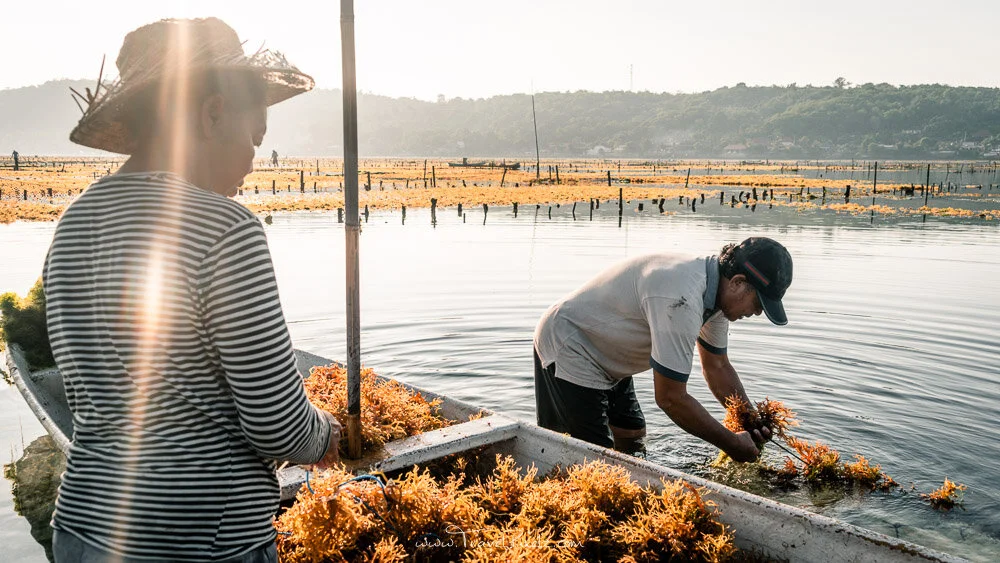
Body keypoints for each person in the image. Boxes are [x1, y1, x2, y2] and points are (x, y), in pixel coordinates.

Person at [44, 18, 339, 562]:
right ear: (213, 112)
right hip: (200, 543)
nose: (253, 161)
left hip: (83, 530)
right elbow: (278, 426)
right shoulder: (227, 227)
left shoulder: (74, 222)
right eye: (255, 137)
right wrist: (329, 434)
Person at [533, 237, 793, 461]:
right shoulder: (680, 298)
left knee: (632, 436)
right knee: (589, 462)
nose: (757, 312)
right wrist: (732, 444)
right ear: (737, 281)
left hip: (611, 353)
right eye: (759, 303)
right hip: (572, 345)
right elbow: (670, 398)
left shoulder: (717, 298)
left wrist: (749, 418)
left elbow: (717, 366)